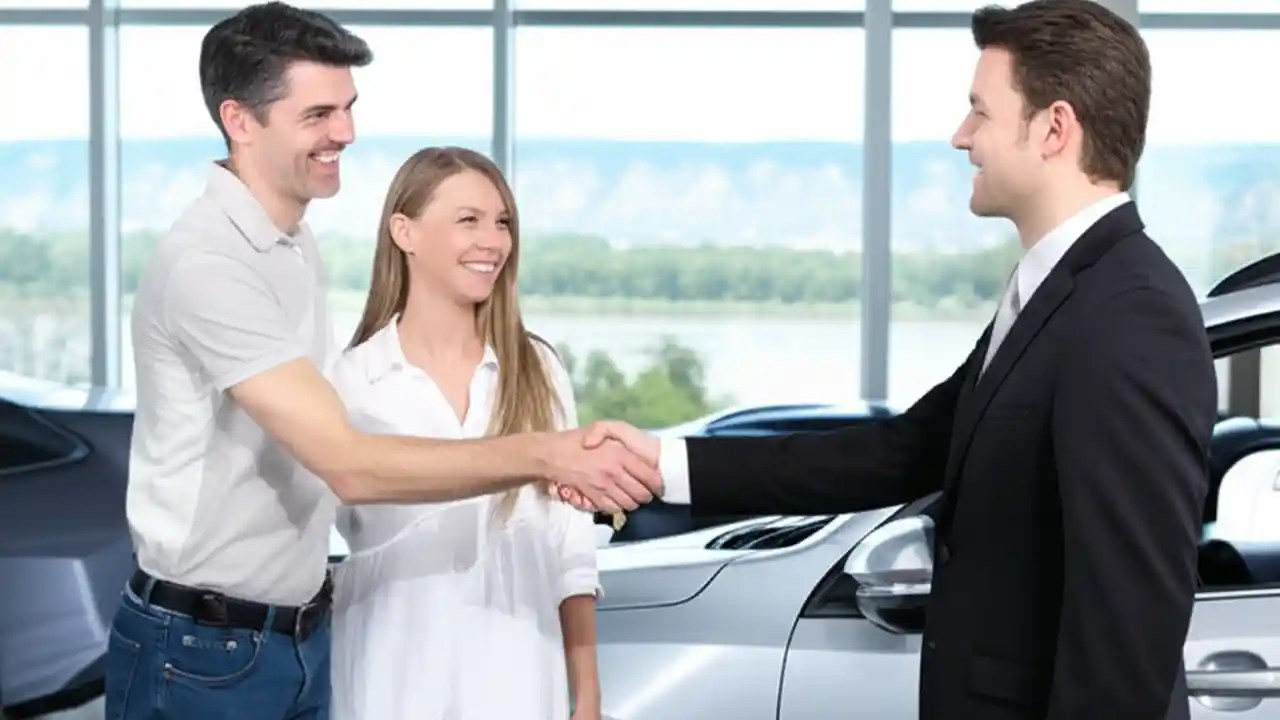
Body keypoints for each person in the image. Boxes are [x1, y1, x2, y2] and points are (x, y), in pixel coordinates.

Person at [574, 2, 1217, 718]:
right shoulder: (1059, 295)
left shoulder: (1131, 314)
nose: (960, 136)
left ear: (1054, 129)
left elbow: (1126, 634)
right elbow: (901, 452)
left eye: (980, 111)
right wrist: (662, 464)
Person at [106, 4, 654, 719]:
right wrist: (545, 455)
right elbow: (349, 466)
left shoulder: (292, 247)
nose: (347, 133)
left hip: (289, 643)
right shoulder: (209, 265)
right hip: (204, 650)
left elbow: (561, 549)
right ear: (241, 121)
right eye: (318, 114)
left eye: (348, 108)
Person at [324, 146, 601, 720]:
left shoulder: (537, 370)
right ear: (405, 231)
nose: (493, 241)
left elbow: (570, 549)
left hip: (522, 677)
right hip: (391, 679)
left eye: (501, 223)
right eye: (468, 221)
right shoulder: (353, 380)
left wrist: (588, 696)